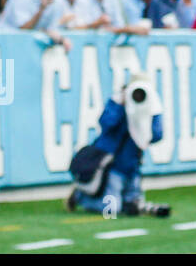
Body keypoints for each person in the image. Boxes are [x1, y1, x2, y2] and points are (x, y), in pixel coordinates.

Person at [65, 73, 169, 217]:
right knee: (111, 210)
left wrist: (151, 113)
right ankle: (80, 196)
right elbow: (106, 123)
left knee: (133, 206)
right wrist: (120, 104)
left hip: (133, 165)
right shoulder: (117, 101)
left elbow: (157, 135)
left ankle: (124, 201)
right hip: (112, 165)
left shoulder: (150, 106)